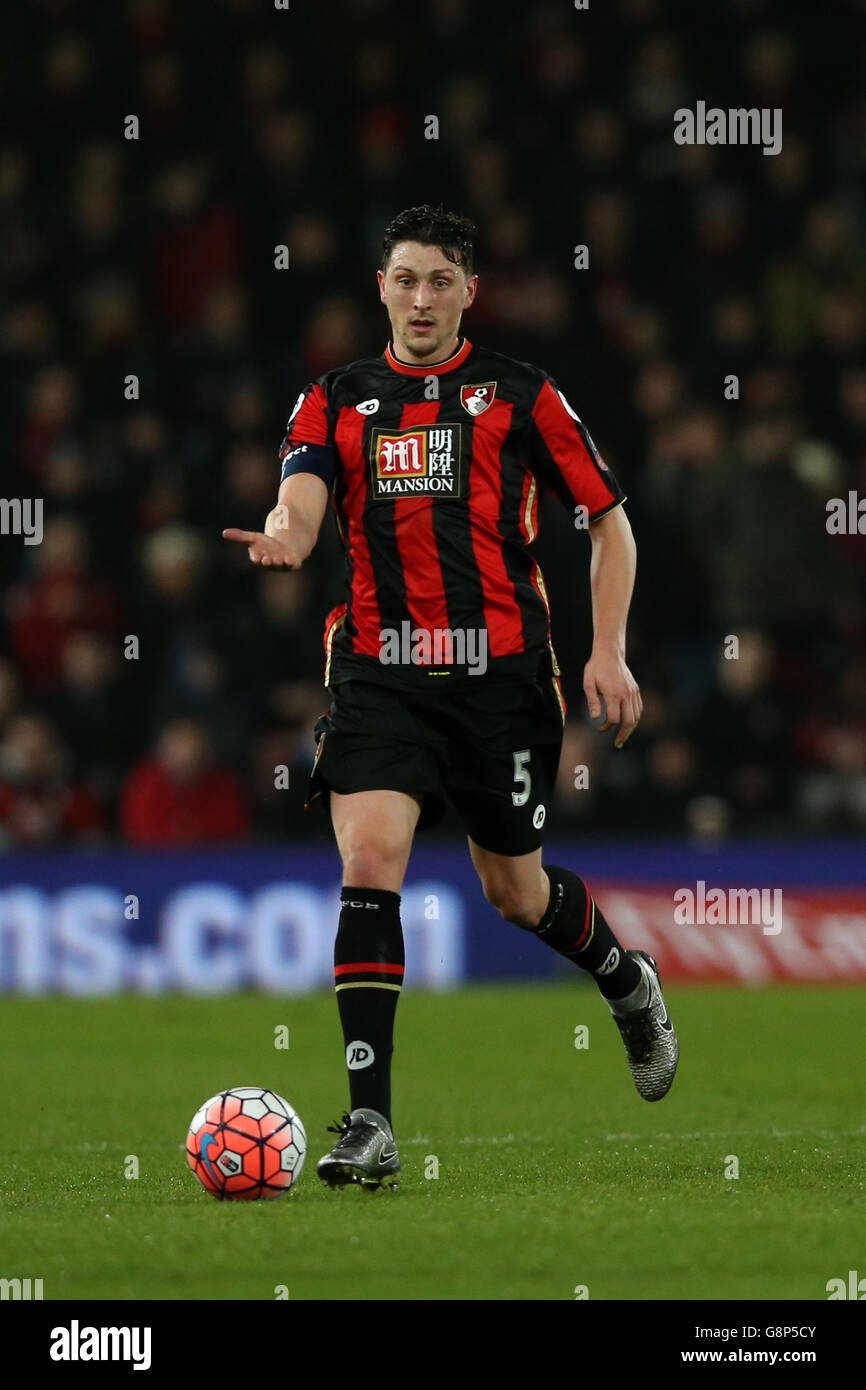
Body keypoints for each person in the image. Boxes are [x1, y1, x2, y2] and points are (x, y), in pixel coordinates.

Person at [223, 204, 679, 1189]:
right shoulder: (333, 400)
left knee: (513, 892)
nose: (419, 298)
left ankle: (621, 976)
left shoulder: (520, 396)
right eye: (403, 279)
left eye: (439, 280)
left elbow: (609, 524)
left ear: (470, 291)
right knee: (371, 854)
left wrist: (608, 651)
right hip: (379, 672)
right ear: (378, 288)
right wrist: (289, 535)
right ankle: (370, 1121)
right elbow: (297, 497)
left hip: (501, 678)